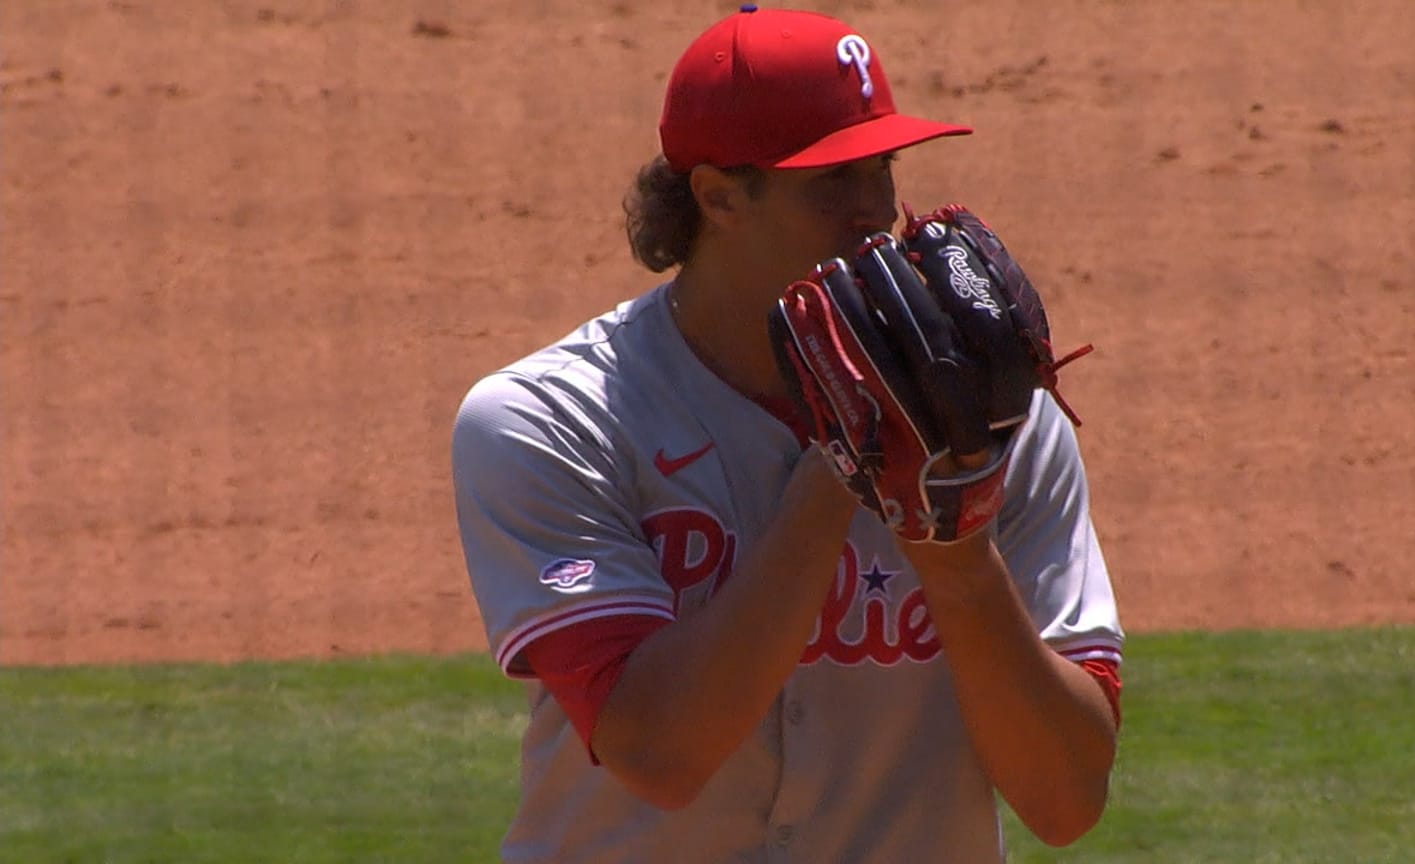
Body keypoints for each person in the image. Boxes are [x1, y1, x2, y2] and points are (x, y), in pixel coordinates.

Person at [451, 5, 1124, 861]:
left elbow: (1065, 803)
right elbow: (660, 754)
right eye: (831, 181)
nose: (875, 211)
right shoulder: (553, 419)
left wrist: (958, 563)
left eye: (880, 165)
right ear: (718, 195)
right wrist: (842, 467)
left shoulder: (990, 416)